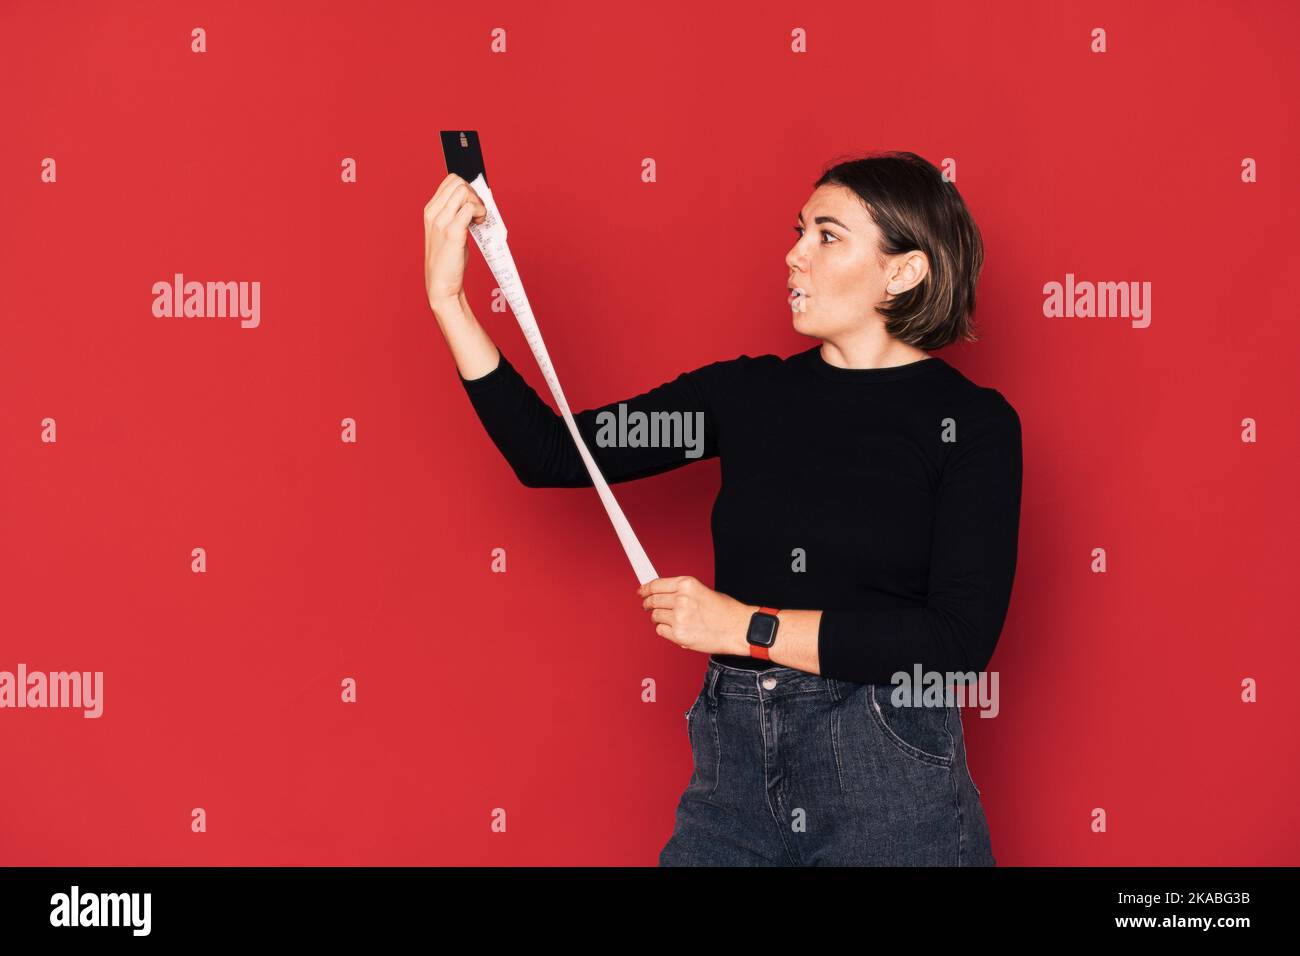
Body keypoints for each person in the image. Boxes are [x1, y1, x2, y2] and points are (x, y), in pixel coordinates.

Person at [423, 151, 1022, 866]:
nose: (794, 255)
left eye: (827, 236)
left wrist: (747, 626)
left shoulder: (971, 424)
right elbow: (553, 453)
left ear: (904, 271)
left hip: (889, 780)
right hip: (732, 775)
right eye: (798, 231)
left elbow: (953, 648)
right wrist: (449, 301)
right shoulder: (742, 398)